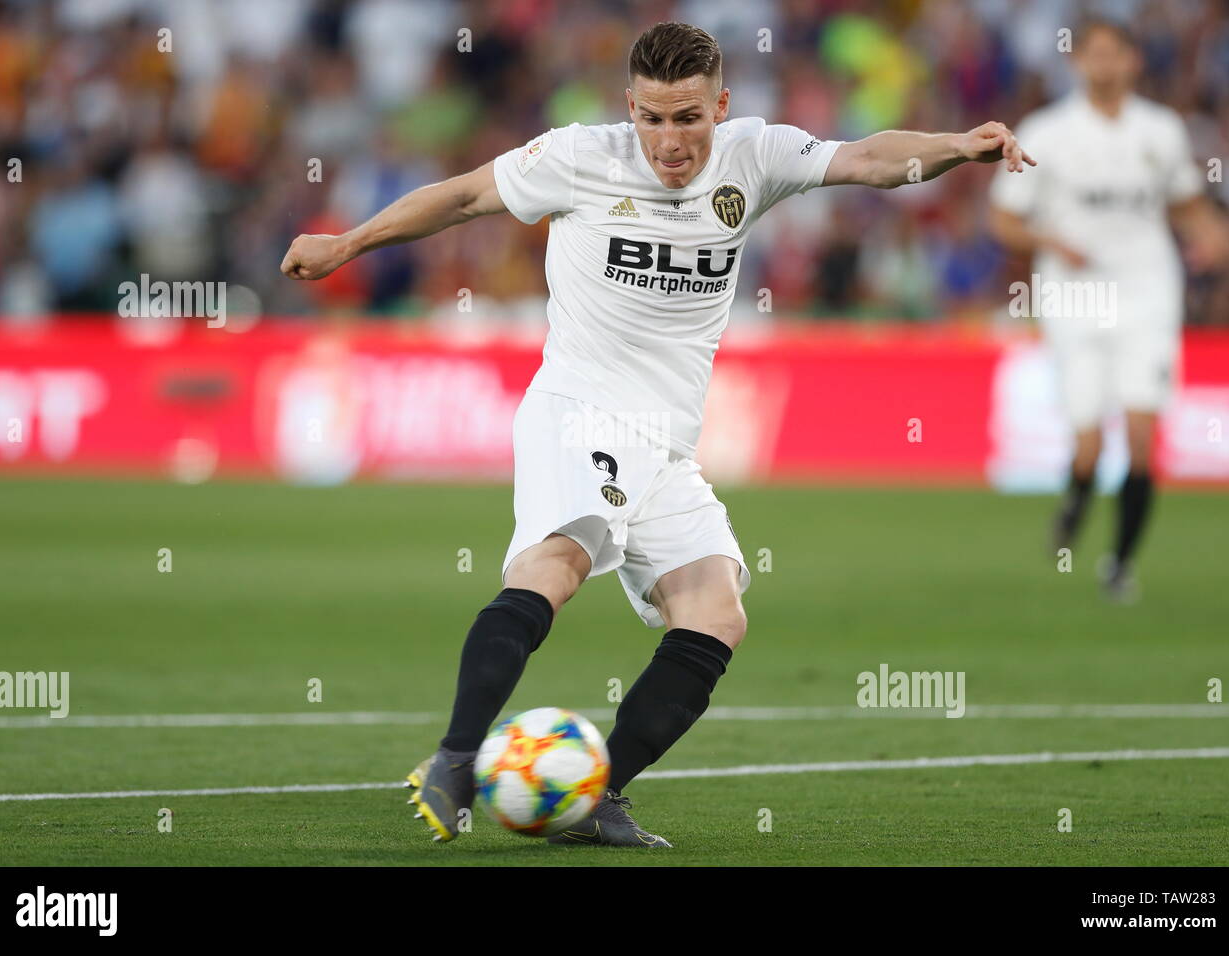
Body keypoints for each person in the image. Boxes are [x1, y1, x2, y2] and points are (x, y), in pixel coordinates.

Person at [282, 21, 1033, 846]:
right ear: (628, 107)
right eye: (652, 119)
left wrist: (959, 146)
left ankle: (593, 796)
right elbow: (462, 196)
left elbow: (868, 158)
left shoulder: (757, 155)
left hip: (667, 442)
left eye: (688, 119)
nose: (669, 141)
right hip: (579, 411)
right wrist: (346, 243)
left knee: (715, 614)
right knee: (557, 566)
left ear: (721, 105)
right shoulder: (578, 157)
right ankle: (456, 759)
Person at [989, 19, 1229, 602]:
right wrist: (1055, 243)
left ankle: (1119, 565)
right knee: (1088, 443)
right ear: (1077, 63)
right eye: (1093, 55)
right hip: (1074, 295)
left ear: (1133, 62)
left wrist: (1213, 235)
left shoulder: (1161, 130)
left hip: (1148, 290)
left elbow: (1185, 202)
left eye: (1114, 54)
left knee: (1144, 433)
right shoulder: (1046, 132)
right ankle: (1075, 504)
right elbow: (1004, 219)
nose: (1103, 65)